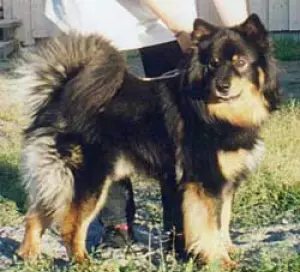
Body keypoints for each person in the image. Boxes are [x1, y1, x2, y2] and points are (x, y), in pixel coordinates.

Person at [44, 0, 249, 248]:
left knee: (179, 128)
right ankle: (116, 228)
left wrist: (243, 35)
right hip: (96, 17)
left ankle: (181, 231)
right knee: (103, 122)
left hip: (168, 22)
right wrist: (181, 30)